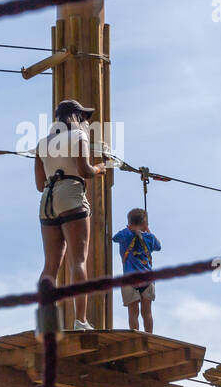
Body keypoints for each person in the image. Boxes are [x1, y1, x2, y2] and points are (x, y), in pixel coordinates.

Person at [35, 99, 107, 331]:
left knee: (50, 266)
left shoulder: (41, 143)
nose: (86, 123)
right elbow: (85, 170)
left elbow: (39, 183)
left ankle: (46, 323)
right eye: (83, 118)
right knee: (78, 260)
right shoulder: (79, 136)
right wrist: (100, 169)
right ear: (75, 118)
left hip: (47, 198)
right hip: (71, 193)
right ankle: (80, 320)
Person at [113, 208, 162, 333]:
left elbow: (114, 238)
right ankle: (149, 336)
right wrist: (148, 231)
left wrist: (129, 228)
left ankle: (136, 337)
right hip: (147, 280)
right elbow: (158, 246)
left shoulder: (124, 234)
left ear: (129, 223)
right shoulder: (149, 238)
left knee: (133, 313)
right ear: (144, 224)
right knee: (147, 313)